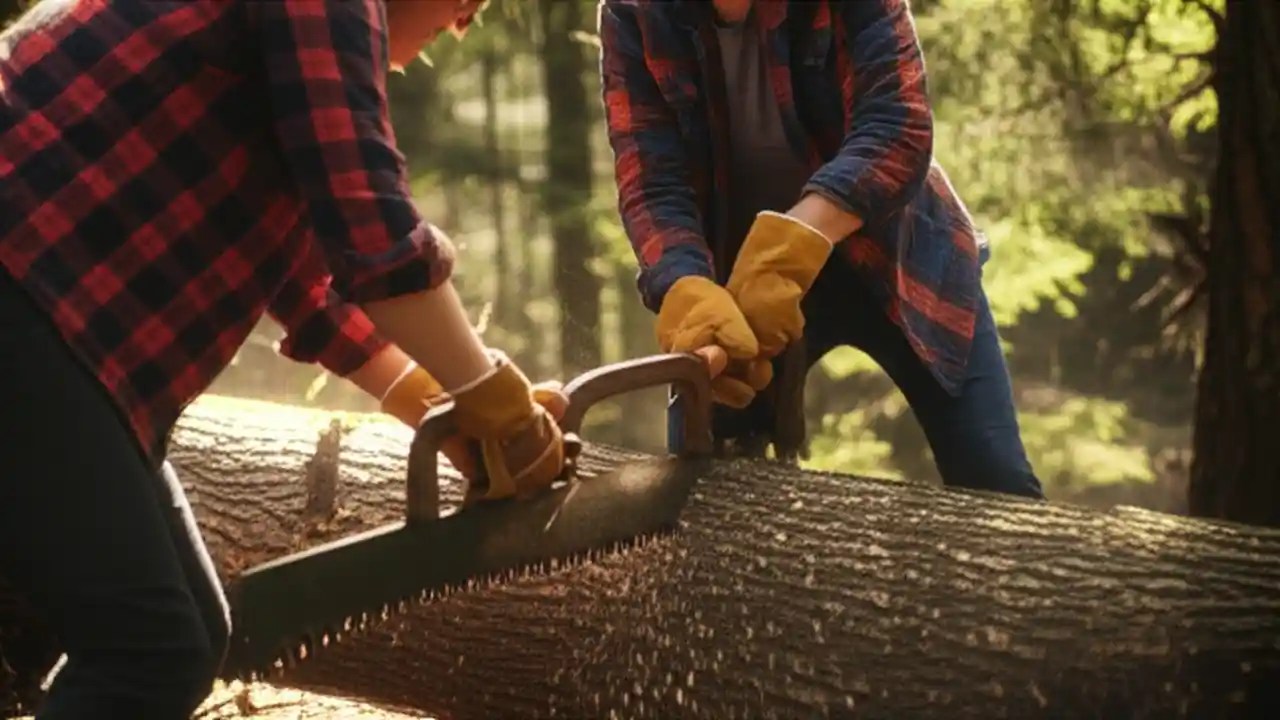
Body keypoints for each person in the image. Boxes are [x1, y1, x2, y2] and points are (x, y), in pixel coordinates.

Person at [0, 1, 568, 717]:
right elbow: (369, 220)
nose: (461, 27)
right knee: (146, 648)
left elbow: (310, 281)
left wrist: (436, 402)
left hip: (51, 324)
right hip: (25, 298)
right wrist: (489, 394)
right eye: (466, 8)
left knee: (189, 637)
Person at [598, 0, 1043, 499]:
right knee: (701, 486)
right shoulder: (633, 13)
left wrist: (789, 249)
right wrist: (687, 286)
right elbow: (653, 184)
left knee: (997, 479)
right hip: (741, 284)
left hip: (899, 263)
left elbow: (899, 129)